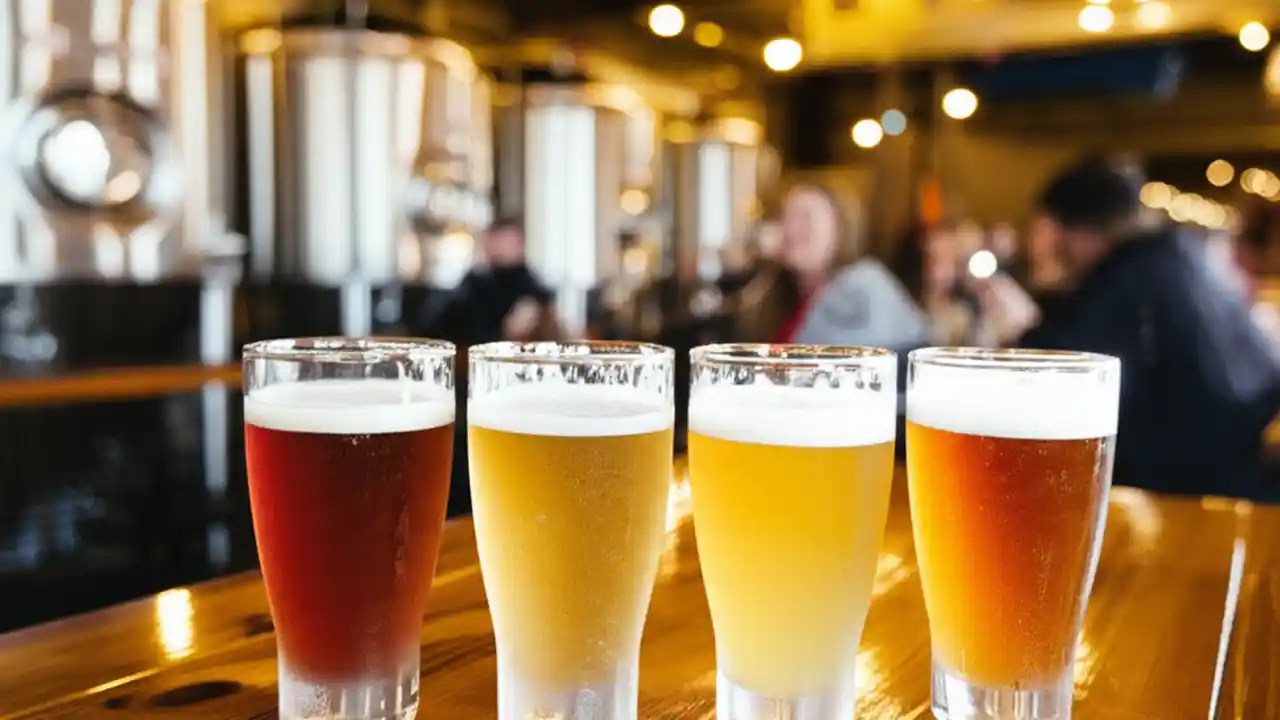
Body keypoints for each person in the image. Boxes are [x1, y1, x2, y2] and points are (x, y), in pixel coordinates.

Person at [982, 157, 1280, 499]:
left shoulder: (1124, 277)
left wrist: (1023, 330)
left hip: (1203, 497)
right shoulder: (1180, 253)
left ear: (1068, 232)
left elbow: (1049, 380)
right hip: (1245, 473)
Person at [735, 183, 926, 350]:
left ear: (839, 228)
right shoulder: (786, 295)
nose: (789, 229)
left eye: (805, 217)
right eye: (784, 217)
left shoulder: (863, 283)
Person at [426, 216, 560, 346]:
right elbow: (435, 326)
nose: (498, 247)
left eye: (505, 241)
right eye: (495, 240)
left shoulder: (536, 295)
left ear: (520, 243)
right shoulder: (474, 285)